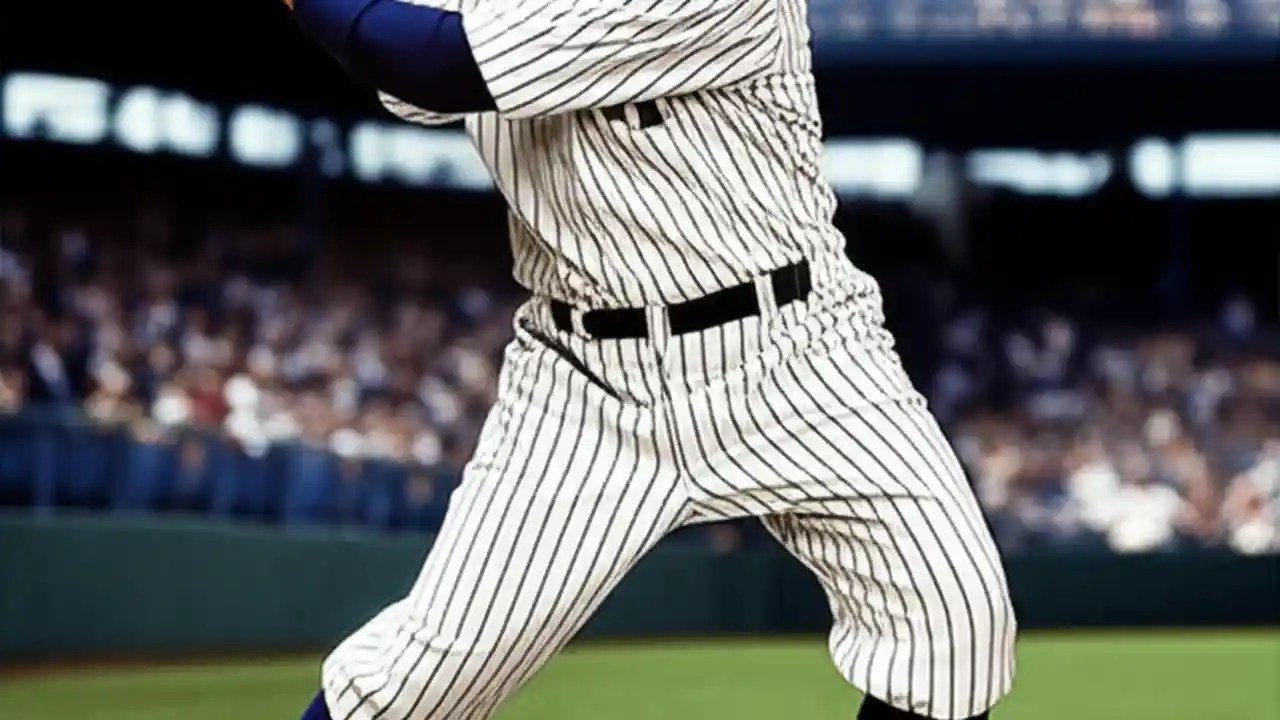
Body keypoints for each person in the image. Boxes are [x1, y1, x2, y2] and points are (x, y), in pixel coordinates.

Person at [282, 1, 1017, 718]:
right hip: (584, 381)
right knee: (420, 681)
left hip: (795, 350)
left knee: (954, 626)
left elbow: (442, 61)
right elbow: (402, 59)